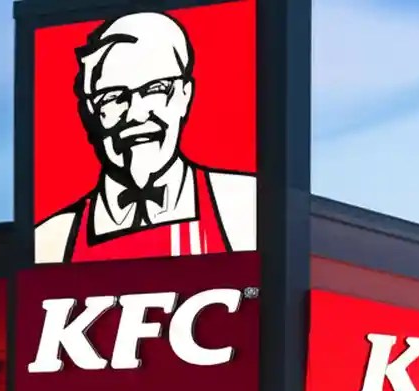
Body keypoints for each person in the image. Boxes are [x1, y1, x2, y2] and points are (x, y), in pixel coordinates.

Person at [35, 11, 255, 264]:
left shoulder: (245, 208)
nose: (137, 114)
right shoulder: (51, 241)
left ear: (185, 96)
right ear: (92, 112)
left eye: (155, 89)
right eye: (113, 96)